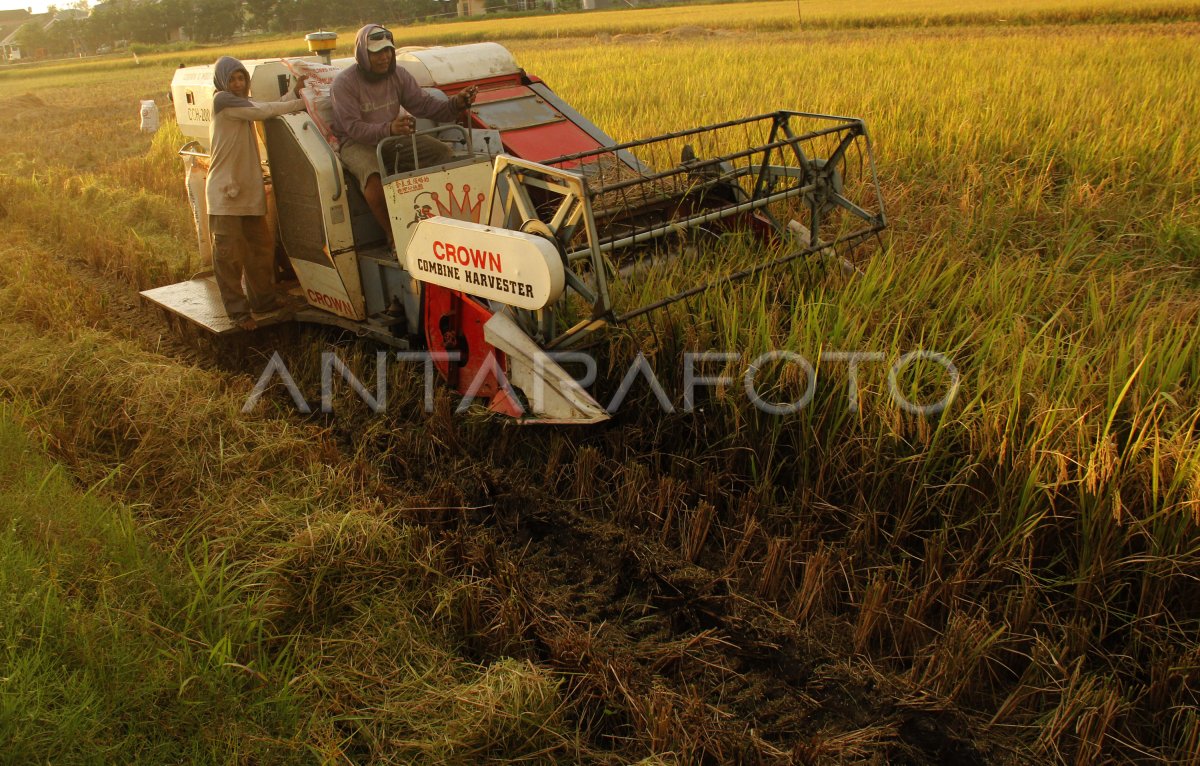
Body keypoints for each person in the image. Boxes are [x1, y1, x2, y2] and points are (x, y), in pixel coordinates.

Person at [331, 24, 478, 248]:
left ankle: (444, 220)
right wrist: (389, 129)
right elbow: (354, 128)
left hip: (391, 136)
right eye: (377, 52)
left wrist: (455, 104)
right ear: (362, 54)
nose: (385, 57)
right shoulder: (344, 83)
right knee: (373, 177)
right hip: (357, 143)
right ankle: (393, 235)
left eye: (388, 50)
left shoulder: (398, 75)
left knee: (442, 153)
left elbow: (424, 105)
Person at [207, 55, 307, 332]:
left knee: (259, 249)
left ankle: (263, 302)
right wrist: (302, 102)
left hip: (247, 191)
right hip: (224, 194)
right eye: (233, 79)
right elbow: (264, 111)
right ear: (222, 82)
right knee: (228, 256)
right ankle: (238, 314)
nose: (238, 84)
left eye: (242, 78)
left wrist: (293, 91)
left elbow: (263, 106)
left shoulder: (241, 104)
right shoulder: (223, 101)